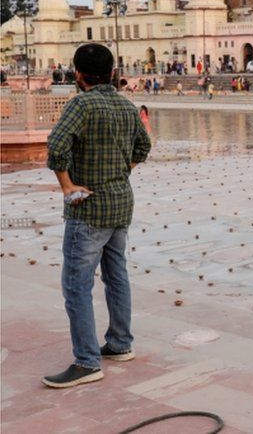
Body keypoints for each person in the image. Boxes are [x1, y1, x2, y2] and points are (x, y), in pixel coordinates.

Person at [43, 44, 152, 388]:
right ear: (111, 72)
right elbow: (144, 146)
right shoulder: (125, 104)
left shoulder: (81, 103)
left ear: (78, 73)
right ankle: (120, 344)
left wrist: (67, 185)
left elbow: (56, 146)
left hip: (88, 209)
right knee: (116, 275)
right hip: (120, 203)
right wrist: (122, 172)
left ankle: (87, 361)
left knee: (77, 285)